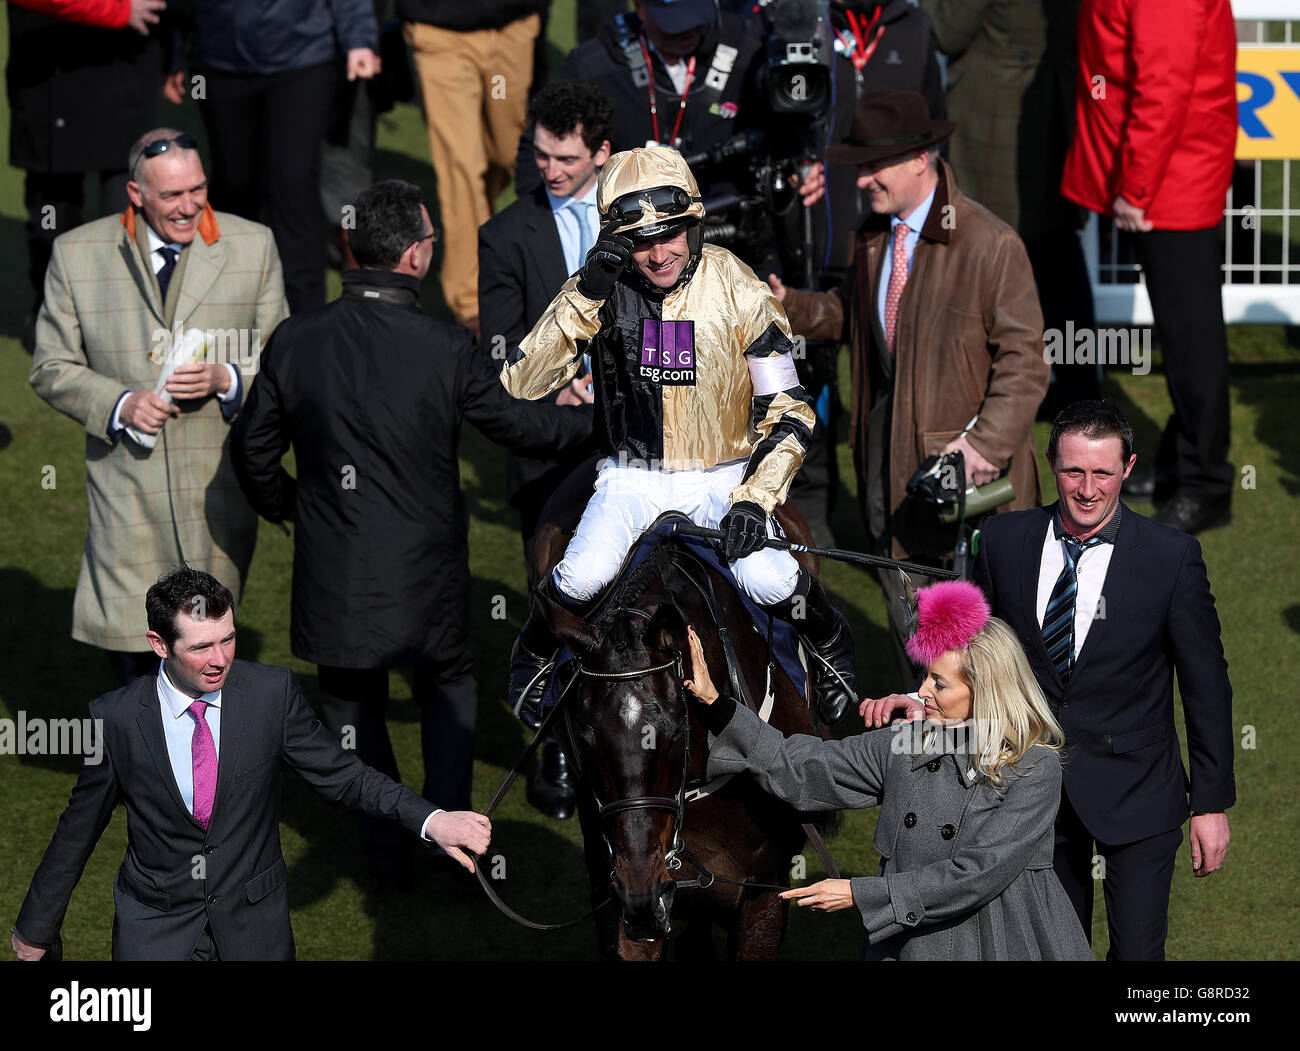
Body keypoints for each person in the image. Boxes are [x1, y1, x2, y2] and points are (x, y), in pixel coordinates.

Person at [230, 180, 592, 886]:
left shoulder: (296, 339)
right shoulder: (446, 346)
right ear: (418, 256)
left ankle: (386, 847)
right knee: (448, 687)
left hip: (335, 570)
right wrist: (603, 424)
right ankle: (449, 839)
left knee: (350, 705)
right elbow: (522, 426)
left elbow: (251, 451)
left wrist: (295, 507)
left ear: (349, 247)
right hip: (428, 570)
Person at [501, 145, 857, 729]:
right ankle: (532, 657)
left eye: (672, 235)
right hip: (632, 477)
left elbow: (789, 408)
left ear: (693, 224)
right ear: (616, 240)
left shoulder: (739, 286)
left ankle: (831, 645)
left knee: (769, 578)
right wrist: (584, 295)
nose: (660, 253)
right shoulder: (598, 287)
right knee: (582, 574)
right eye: (641, 242)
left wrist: (754, 498)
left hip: (723, 475)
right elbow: (522, 381)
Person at [10, 568, 492, 962]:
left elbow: (346, 777)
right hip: (154, 932)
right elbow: (77, 830)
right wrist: (36, 929)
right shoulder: (113, 718)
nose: (220, 659)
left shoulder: (270, 695)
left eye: (228, 639)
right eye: (201, 647)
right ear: (159, 644)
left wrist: (434, 820)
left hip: (253, 932)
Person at [774, 90, 1048, 683]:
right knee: (918, 649)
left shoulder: (991, 244)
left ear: (921, 158)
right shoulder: (876, 238)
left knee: (986, 660)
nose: (862, 180)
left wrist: (981, 449)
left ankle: (999, 767)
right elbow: (861, 320)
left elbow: (1027, 362)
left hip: (970, 499)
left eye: (874, 166)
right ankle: (929, 762)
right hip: (890, 483)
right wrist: (788, 308)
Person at [684, 579, 1094, 960]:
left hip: (1003, 939)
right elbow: (803, 766)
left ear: (985, 690)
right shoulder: (907, 744)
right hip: (914, 943)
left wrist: (861, 894)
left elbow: (975, 876)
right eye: (926, 677)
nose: (922, 692)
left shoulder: (1034, 768)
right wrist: (716, 703)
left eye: (939, 683)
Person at [973, 400, 1234, 959]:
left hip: (1140, 794)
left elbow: (1206, 686)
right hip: (1034, 794)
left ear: (1129, 468)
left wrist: (1210, 804)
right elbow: (977, 657)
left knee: (1138, 959)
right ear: (1051, 465)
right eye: (1073, 471)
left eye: (1103, 473)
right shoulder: (1001, 540)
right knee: (1051, 952)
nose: (1088, 489)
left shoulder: (1172, 558)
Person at [28, 128, 289, 687]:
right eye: (171, 195)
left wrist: (227, 377)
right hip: (126, 486)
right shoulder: (76, 254)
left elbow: (282, 363)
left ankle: (205, 773)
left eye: (198, 189)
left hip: (214, 486)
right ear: (135, 192)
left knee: (205, 653)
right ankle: (139, 770)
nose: (190, 205)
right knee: (132, 646)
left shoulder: (254, 245)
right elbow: (49, 365)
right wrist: (118, 403)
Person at [478, 79, 612, 818]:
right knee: (558, 598)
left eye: (564, 158)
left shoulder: (639, 213)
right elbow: (503, 348)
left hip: (641, 443)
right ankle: (560, 741)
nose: (549, 170)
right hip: (550, 453)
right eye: (539, 155)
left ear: (602, 152)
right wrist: (562, 381)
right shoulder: (504, 235)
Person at [1061, 0, 1237, 534]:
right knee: (1185, 335)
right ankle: (1186, 466)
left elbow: (1164, 87)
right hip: (1168, 171)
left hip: (1170, 178)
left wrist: (1136, 185)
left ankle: (1206, 483)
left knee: (1191, 339)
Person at [921, 0, 1099, 418]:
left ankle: (981, 391)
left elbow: (948, 31)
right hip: (1052, 106)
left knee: (980, 257)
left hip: (997, 113)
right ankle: (1079, 393)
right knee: (1057, 257)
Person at [187, 0, 382, 314]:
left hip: (303, 59)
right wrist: (171, 55)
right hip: (218, 58)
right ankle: (229, 305)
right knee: (233, 184)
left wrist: (359, 39)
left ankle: (306, 318)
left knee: (293, 185)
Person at [7, 0, 173, 349]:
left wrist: (176, 55)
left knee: (123, 227)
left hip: (125, 79)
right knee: (49, 225)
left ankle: (118, 332)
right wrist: (117, 11)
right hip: (49, 90)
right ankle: (53, 319)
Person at [401, 0, 545, 335]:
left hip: (511, 25)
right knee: (462, 168)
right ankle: (475, 303)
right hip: (439, 34)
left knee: (508, 152)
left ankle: (483, 226)